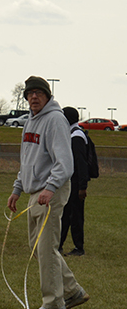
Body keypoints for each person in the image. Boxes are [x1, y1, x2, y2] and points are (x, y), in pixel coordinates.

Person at [7, 76, 89, 309]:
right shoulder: (30, 122)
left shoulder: (55, 120)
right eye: (30, 93)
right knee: (38, 246)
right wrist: (17, 188)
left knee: (46, 247)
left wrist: (50, 187)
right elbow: (27, 160)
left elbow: (65, 163)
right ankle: (72, 291)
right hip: (35, 190)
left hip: (50, 190)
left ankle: (54, 303)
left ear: (47, 96)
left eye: (38, 93)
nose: (34, 97)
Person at [59, 106, 89, 257]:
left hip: (76, 183)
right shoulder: (71, 134)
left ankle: (79, 248)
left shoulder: (76, 136)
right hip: (70, 182)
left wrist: (82, 187)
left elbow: (81, 163)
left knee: (75, 216)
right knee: (65, 214)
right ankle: (58, 245)